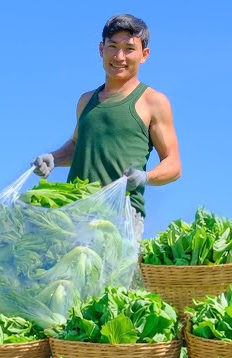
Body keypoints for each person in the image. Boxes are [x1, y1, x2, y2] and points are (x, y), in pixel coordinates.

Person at [31, 13, 181, 239]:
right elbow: (77, 146)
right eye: (112, 46)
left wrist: (145, 177)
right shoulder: (86, 101)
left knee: (115, 275)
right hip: (74, 212)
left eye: (129, 48)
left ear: (144, 55)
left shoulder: (153, 101)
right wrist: (54, 158)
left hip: (121, 215)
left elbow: (174, 164)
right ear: (101, 49)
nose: (119, 56)